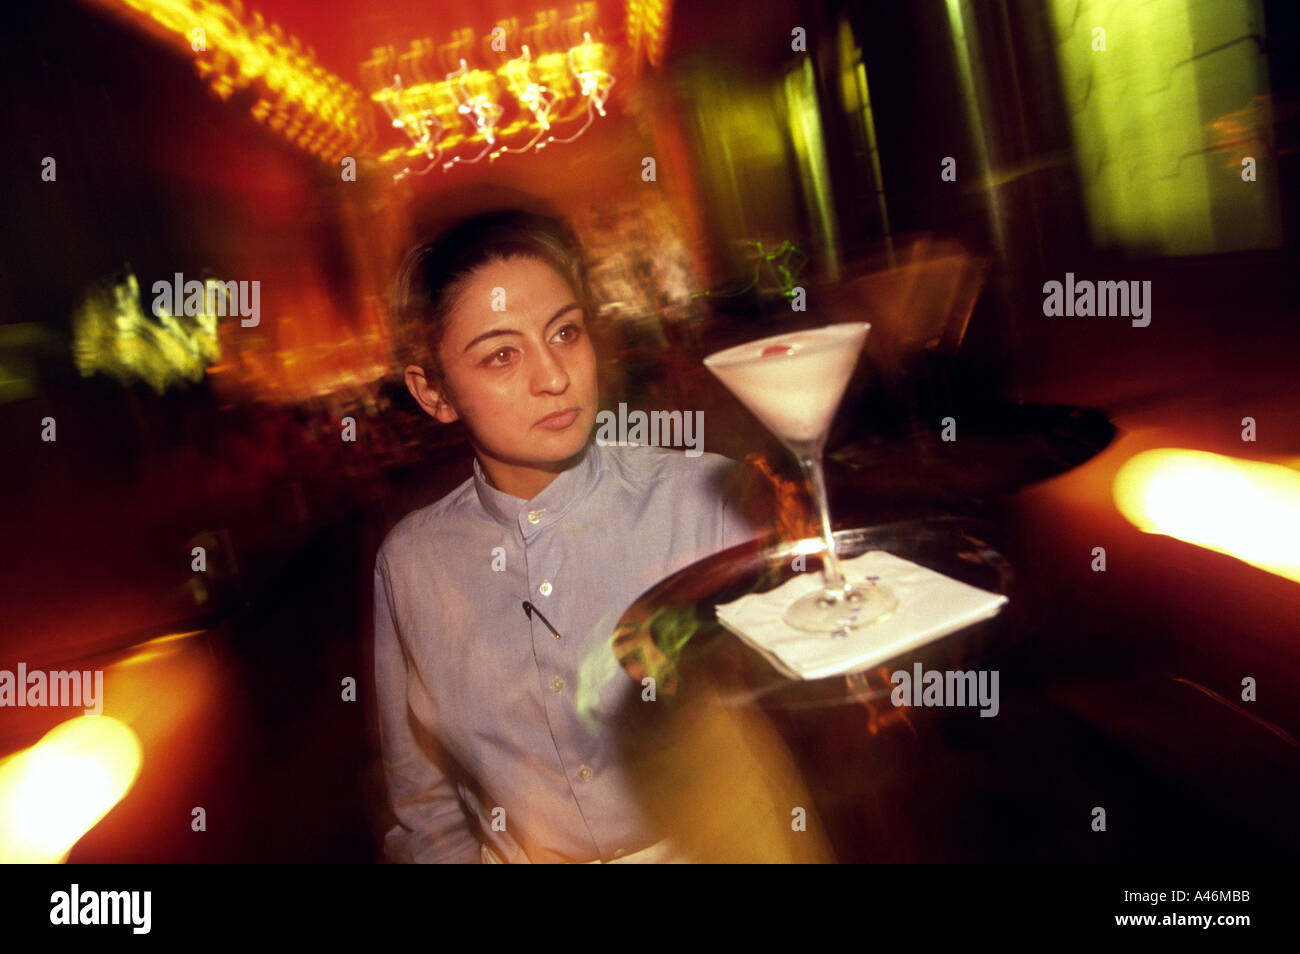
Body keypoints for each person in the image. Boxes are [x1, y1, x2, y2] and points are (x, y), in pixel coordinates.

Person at [373, 202, 810, 863]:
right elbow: (424, 796)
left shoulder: (704, 498)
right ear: (434, 393)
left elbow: (816, 708)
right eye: (500, 356)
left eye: (566, 333)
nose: (552, 377)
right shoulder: (412, 563)